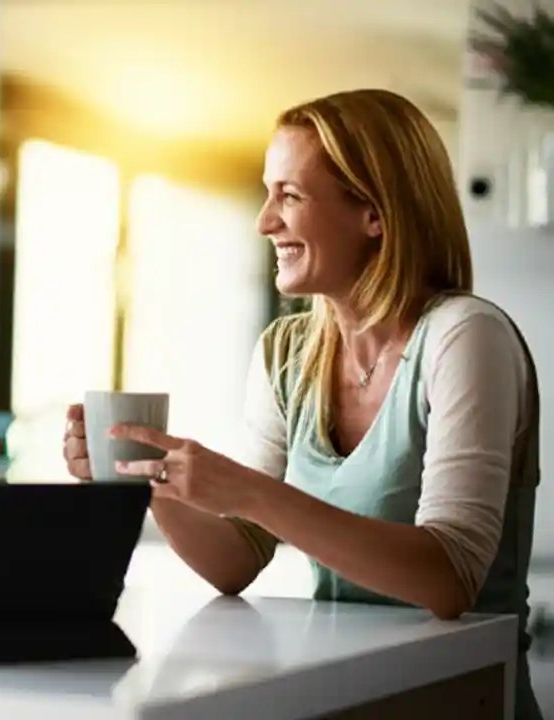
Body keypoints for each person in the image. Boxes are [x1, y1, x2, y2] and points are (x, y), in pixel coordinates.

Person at [63, 89, 541, 718]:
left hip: (459, 695)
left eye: (289, 195)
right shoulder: (287, 354)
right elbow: (237, 560)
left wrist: (248, 492)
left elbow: (448, 579)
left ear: (373, 212)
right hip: (343, 692)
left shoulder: (463, 335)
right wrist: (143, 476)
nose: (265, 221)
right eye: (268, 193)